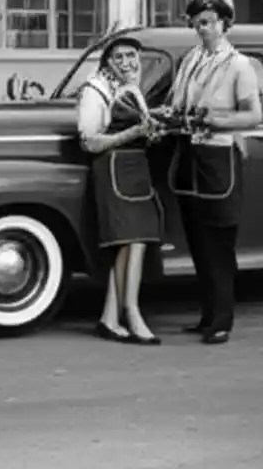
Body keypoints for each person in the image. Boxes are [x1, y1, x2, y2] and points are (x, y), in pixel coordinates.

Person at [161, 0, 262, 345]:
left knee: (219, 243)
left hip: (220, 158)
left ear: (224, 24)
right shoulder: (191, 59)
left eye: (208, 21)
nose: (202, 28)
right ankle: (207, 315)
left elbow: (254, 116)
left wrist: (218, 119)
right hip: (190, 154)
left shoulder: (239, 64)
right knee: (198, 241)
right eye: (197, 22)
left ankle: (222, 320)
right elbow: (178, 100)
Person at [77, 35, 164, 345]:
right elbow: (90, 141)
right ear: (107, 62)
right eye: (119, 57)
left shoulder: (128, 87)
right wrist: (134, 132)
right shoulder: (95, 91)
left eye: (132, 55)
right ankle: (133, 312)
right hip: (114, 168)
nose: (127, 62)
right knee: (132, 241)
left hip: (133, 169)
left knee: (131, 242)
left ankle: (110, 318)